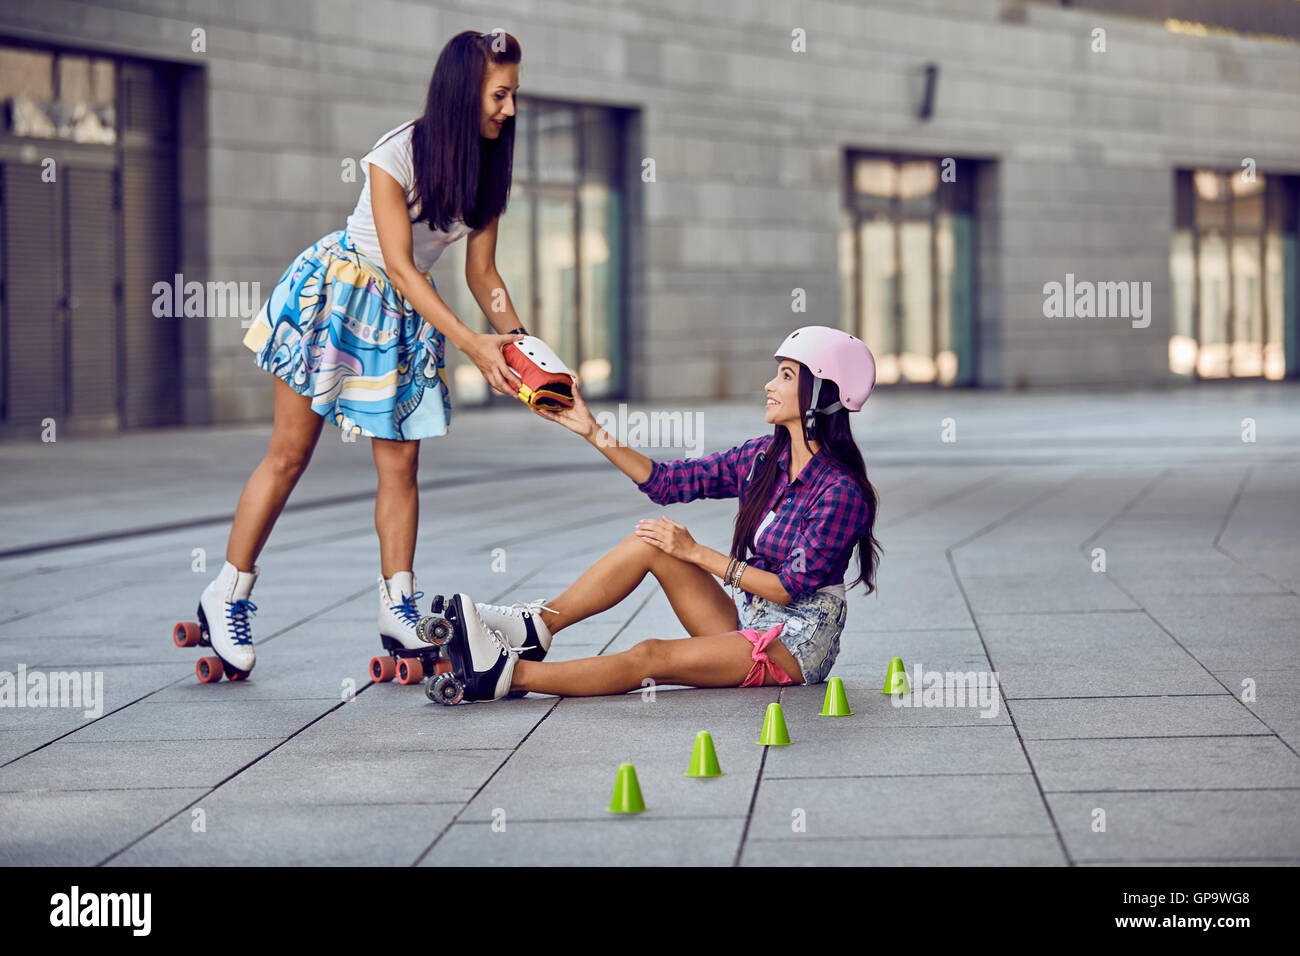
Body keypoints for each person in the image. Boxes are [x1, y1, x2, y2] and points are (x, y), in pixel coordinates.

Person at [188, 30, 530, 680]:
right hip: (339, 296)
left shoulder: (490, 167)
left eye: (513, 96)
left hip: (403, 315)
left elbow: (484, 275)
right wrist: (469, 344)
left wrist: (519, 346)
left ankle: (397, 608)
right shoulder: (397, 153)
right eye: (499, 95)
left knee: (402, 466)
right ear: (464, 91)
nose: (509, 110)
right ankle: (225, 593)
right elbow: (400, 267)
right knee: (290, 454)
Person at [438, 326, 883, 702]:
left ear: (822, 394)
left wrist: (695, 553)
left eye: (785, 376)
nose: (769, 385)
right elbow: (668, 482)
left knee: (652, 655)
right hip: (752, 618)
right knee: (651, 542)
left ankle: (504, 676)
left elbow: (788, 589)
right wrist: (591, 430)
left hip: (794, 644)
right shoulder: (764, 459)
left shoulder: (840, 491)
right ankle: (534, 626)